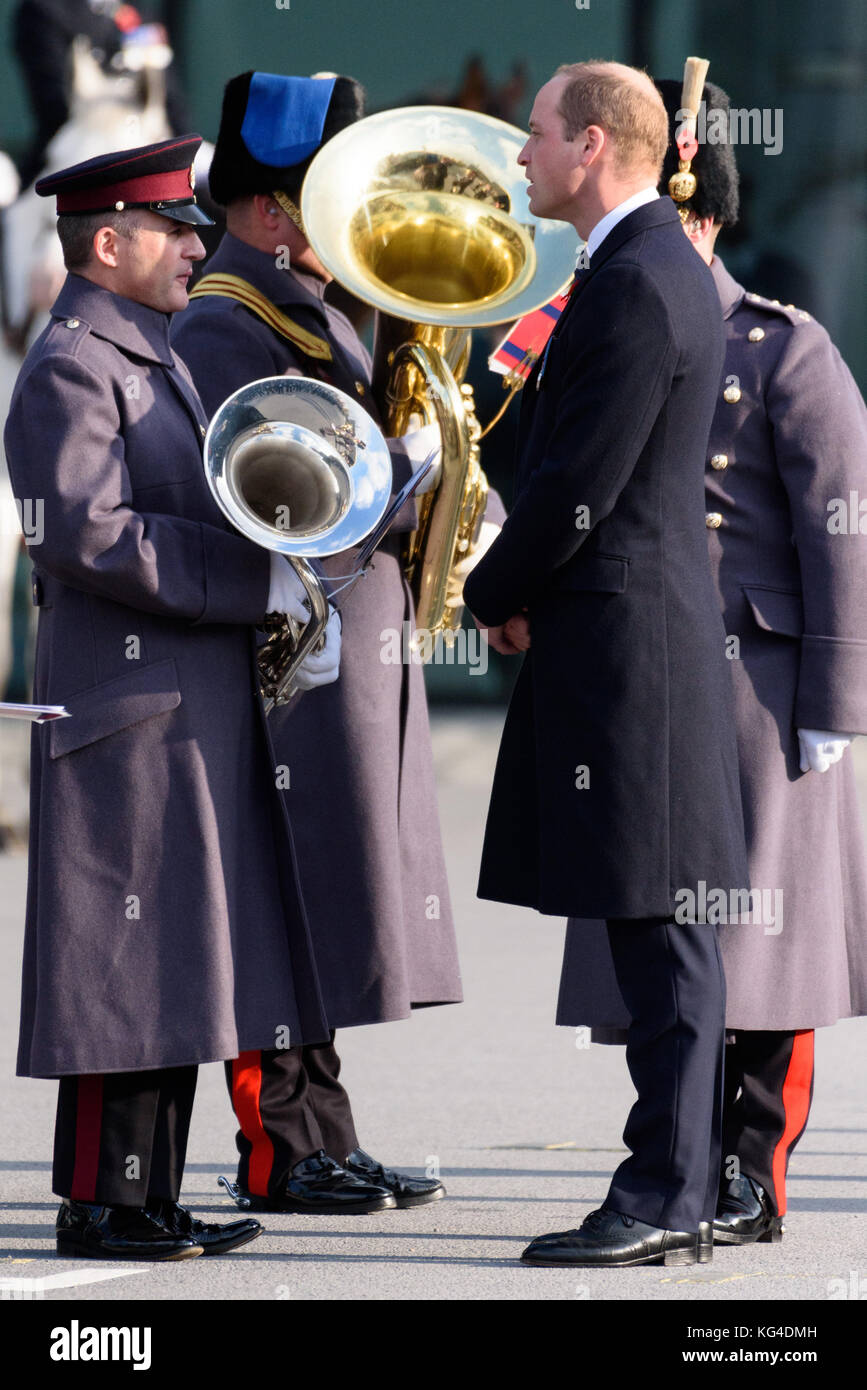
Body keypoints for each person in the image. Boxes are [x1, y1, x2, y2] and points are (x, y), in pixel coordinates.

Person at [4, 134, 342, 1259]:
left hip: (175, 703)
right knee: (119, 964)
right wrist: (251, 577)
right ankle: (102, 1200)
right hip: (121, 713)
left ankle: (146, 1193)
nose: (196, 243)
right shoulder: (70, 363)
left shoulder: (146, 349)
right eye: (172, 228)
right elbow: (89, 532)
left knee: (178, 958)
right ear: (109, 242)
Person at [174, 71, 495, 1214]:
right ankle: (280, 1146)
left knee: (317, 898)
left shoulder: (300, 307)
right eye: (323, 198)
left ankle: (325, 1132)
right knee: (278, 895)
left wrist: (435, 468)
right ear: (270, 210)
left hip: (335, 651)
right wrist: (402, 480)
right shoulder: (228, 319)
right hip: (287, 657)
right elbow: (275, 499)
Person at [557, 77, 867, 1247]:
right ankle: (677, 1160)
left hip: (767, 693)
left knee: (766, 948)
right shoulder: (602, 321)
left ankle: (752, 1171)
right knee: (673, 940)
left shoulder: (786, 347)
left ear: (704, 217)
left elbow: (846, 525)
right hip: (654, 676)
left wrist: (840, 696)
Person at [462, 60, 750, 1268]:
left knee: (664, 930)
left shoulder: (636, 280)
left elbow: (582, 487)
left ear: (591, 145)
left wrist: (491, 588)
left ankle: (667, 1193)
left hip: (632, 646)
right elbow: (547, 449)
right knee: (656, 926)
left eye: (533, 137)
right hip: (629, 636)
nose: (520, 158)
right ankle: (671, 1184)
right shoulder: (630, 269)